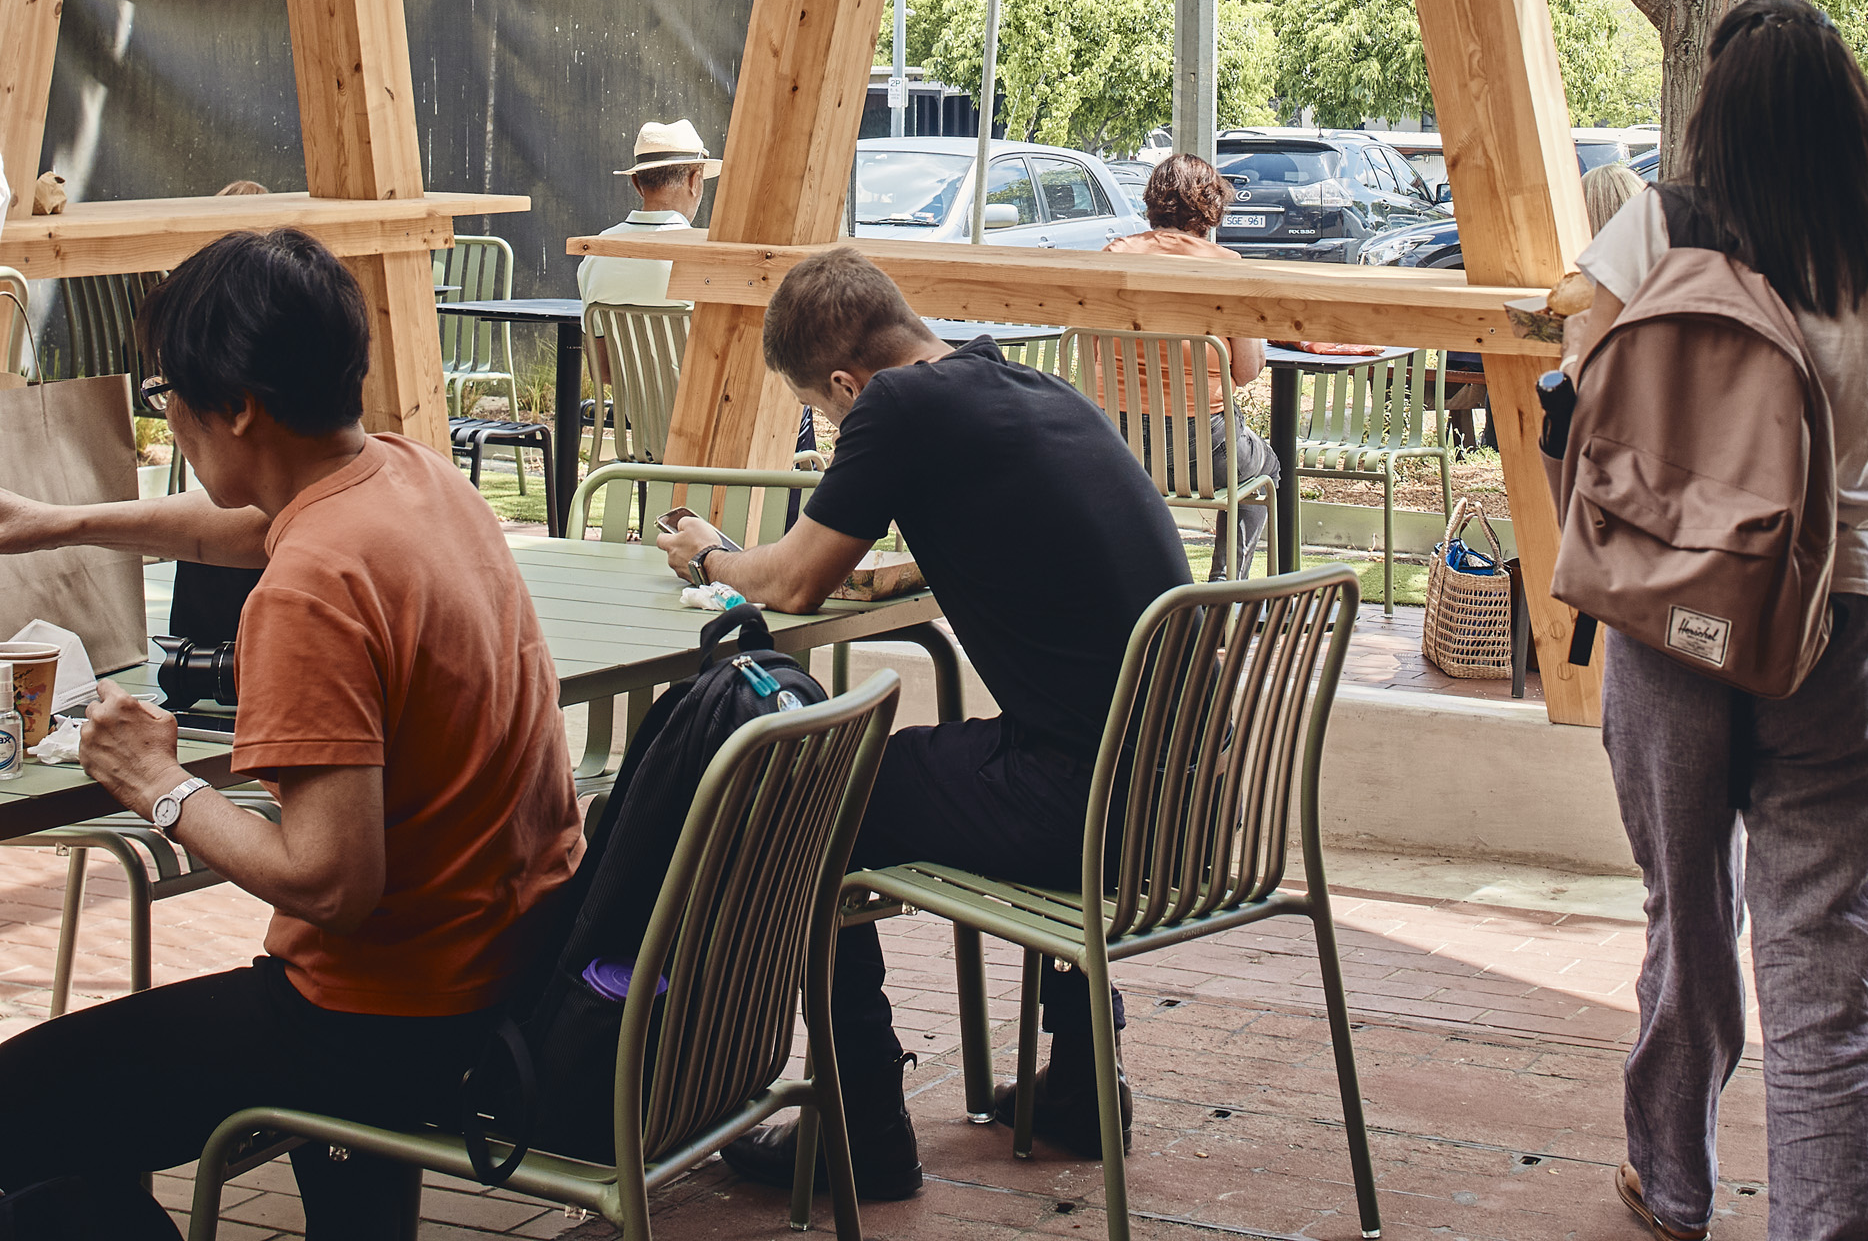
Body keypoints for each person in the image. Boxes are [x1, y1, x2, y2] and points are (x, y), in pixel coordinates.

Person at [0, 228, 582, 1241]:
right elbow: (258, 522)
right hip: (510, 956)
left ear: (236, 407)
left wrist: (158, 783)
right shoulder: (412, 477)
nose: (166, 415)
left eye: (166, 393)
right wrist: (51, 522)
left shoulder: (311, 589)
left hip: (383, 1011)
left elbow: (331, 884)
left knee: (29, 1103)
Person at [658, 246, 1192, 1200]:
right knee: (990, 747)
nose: (832, 429)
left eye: (825, 415)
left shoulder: (897, 407)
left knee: (798, 794)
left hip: (1080, 801)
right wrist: (905, 573)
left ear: (841, 383)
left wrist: (711, 555)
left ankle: (861, 1127)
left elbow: (792, 580)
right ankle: (1077, 1081)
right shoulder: (1024, 384)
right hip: (1184, 799)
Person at [1565, 0, 1868, 1241]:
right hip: (1829, 626)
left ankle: (1671, 1184)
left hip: (1668, 617)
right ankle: (1824, 1224)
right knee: (1824, 957)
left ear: (1714, 114)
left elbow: (1587, 390)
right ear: (1844, 116)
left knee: (1686, 914)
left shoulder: (1653, 231)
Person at [1100, 150, 1283, 576]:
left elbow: (1090, 344)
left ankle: (1139, 592)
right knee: (1267, 468)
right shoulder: (1227, 268)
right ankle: (1223, 593)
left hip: (1115, 444)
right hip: (1204, 448)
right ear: (1210, 205)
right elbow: (1247, 370)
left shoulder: (1113, 255)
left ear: (1153, 202)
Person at [572, 115, 717, 314]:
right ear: (695, 181)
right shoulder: (707, 257)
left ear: (637, 184)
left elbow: (596, 343)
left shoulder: (596, 253)